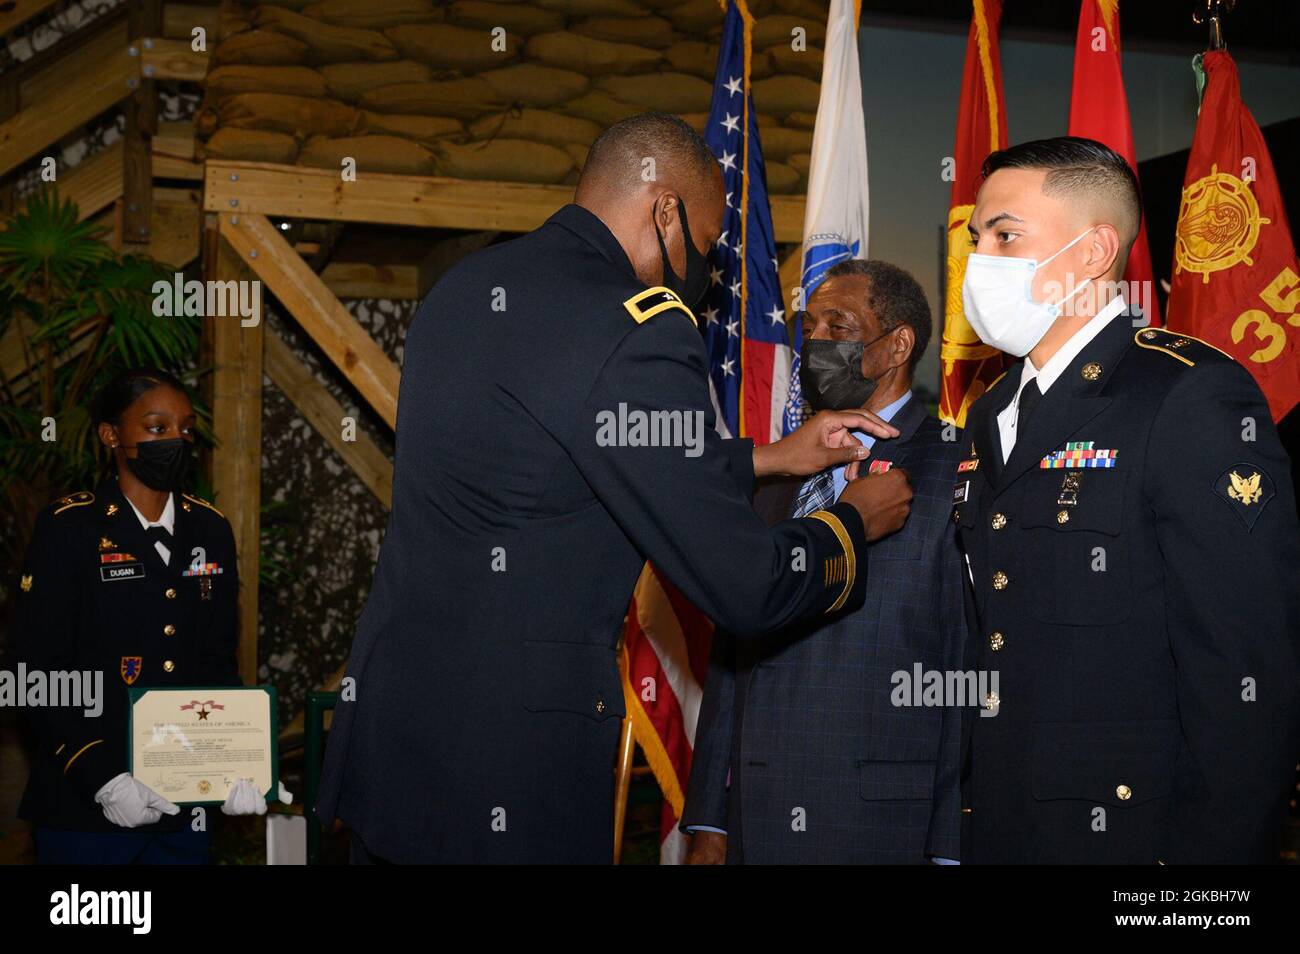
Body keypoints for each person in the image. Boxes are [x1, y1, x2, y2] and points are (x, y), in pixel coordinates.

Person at [316, 113, 915, 863]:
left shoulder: (468, 288)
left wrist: (766, 459)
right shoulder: (635, 329)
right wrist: (852, 524)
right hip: (511, 769)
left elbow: (551, 458)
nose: (706, 269)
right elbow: (746, 585)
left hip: (397, 736)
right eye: (704, 244)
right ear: (665, 209)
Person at [955, 136, 1300, 864]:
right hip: (1003, 821)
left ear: (1091, 251)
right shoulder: (992, 414)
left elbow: (1245, 673)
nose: (978, 258)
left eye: (1005, 235)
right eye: (976, 236)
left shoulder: (1186, 395)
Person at [682, 260, 966, 864]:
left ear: (897, 346)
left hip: (880, 826)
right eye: (808, 326)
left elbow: (966, 666)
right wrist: (709, 818)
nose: (815, 343)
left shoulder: (957, 466)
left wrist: (950, 846)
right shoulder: (781, 465)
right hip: (753, 819)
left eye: (839, 326)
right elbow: (734, 649)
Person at [13, 368, 263, 864]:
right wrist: (102, 777)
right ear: (111, 436)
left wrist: (236, 761)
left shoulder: (209, 529)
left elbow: (216, 660)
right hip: (86, 805)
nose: (176, 440)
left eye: (185, 429)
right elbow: (33, 673)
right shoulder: (71, 528)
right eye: (156, 428)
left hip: (184, 802)